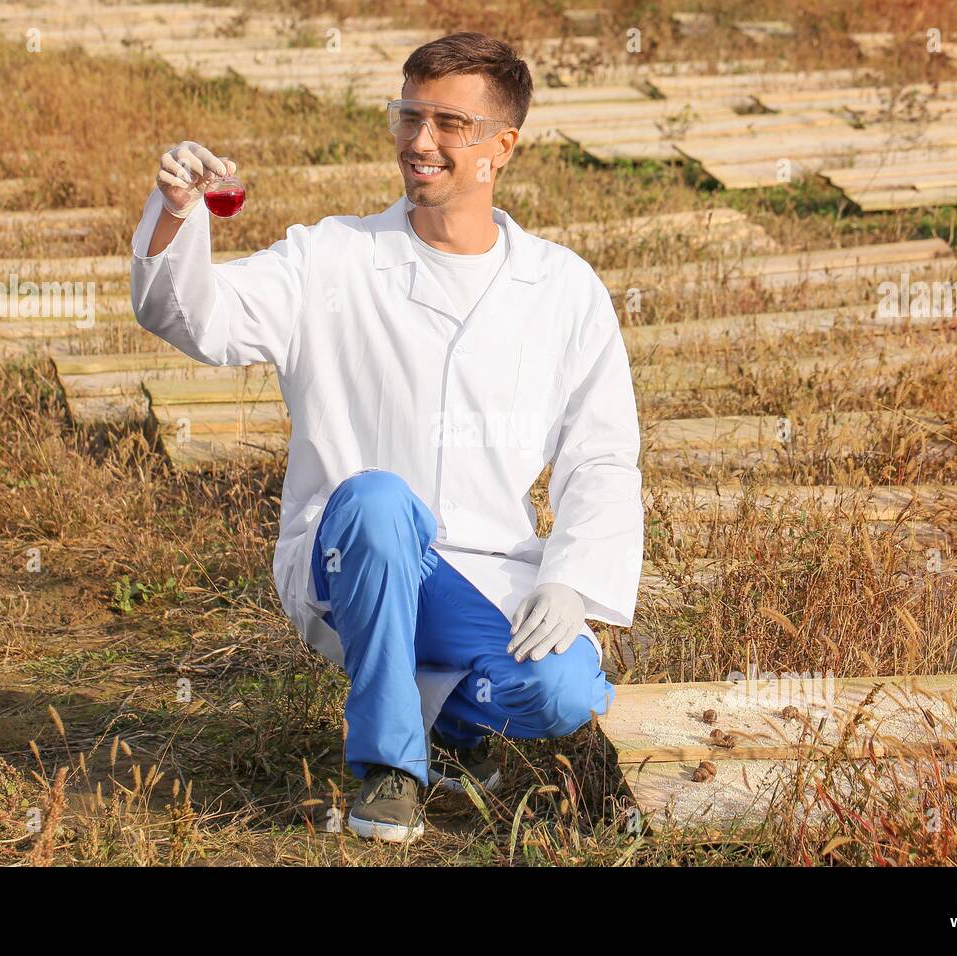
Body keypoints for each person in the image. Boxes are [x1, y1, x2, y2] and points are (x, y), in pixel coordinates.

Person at [130, 32, 642, 844]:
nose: (420, 141)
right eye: (410, 116)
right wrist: (178, 215)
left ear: (501, 147)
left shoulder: (564, 289)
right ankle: (389, 768)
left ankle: (449, 726)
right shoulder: (332, 257)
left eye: (449, 123)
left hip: (481, 573)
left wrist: (574, 579)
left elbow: (603, 454)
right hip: (352, 553)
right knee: (376, 499)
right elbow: (191, 316)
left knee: (565, 694)